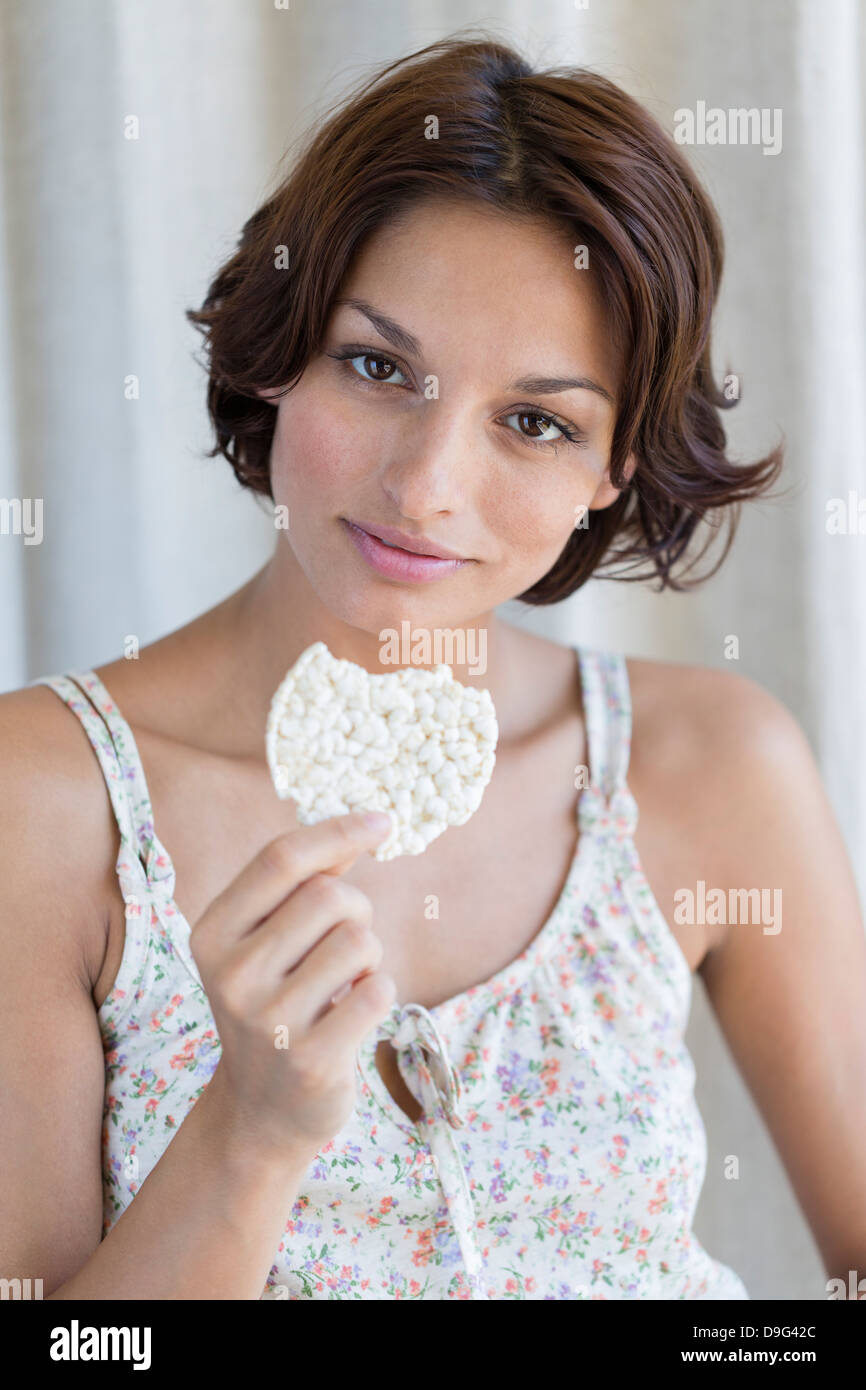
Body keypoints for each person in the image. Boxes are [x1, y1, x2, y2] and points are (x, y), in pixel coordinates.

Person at [2, 33, 864, 1302]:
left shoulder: (710, 767)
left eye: (535, 422)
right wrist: (251, 1135)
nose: (424, 486)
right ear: (277, 352)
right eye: (374, 364)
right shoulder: (43, 802)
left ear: (611, 471)